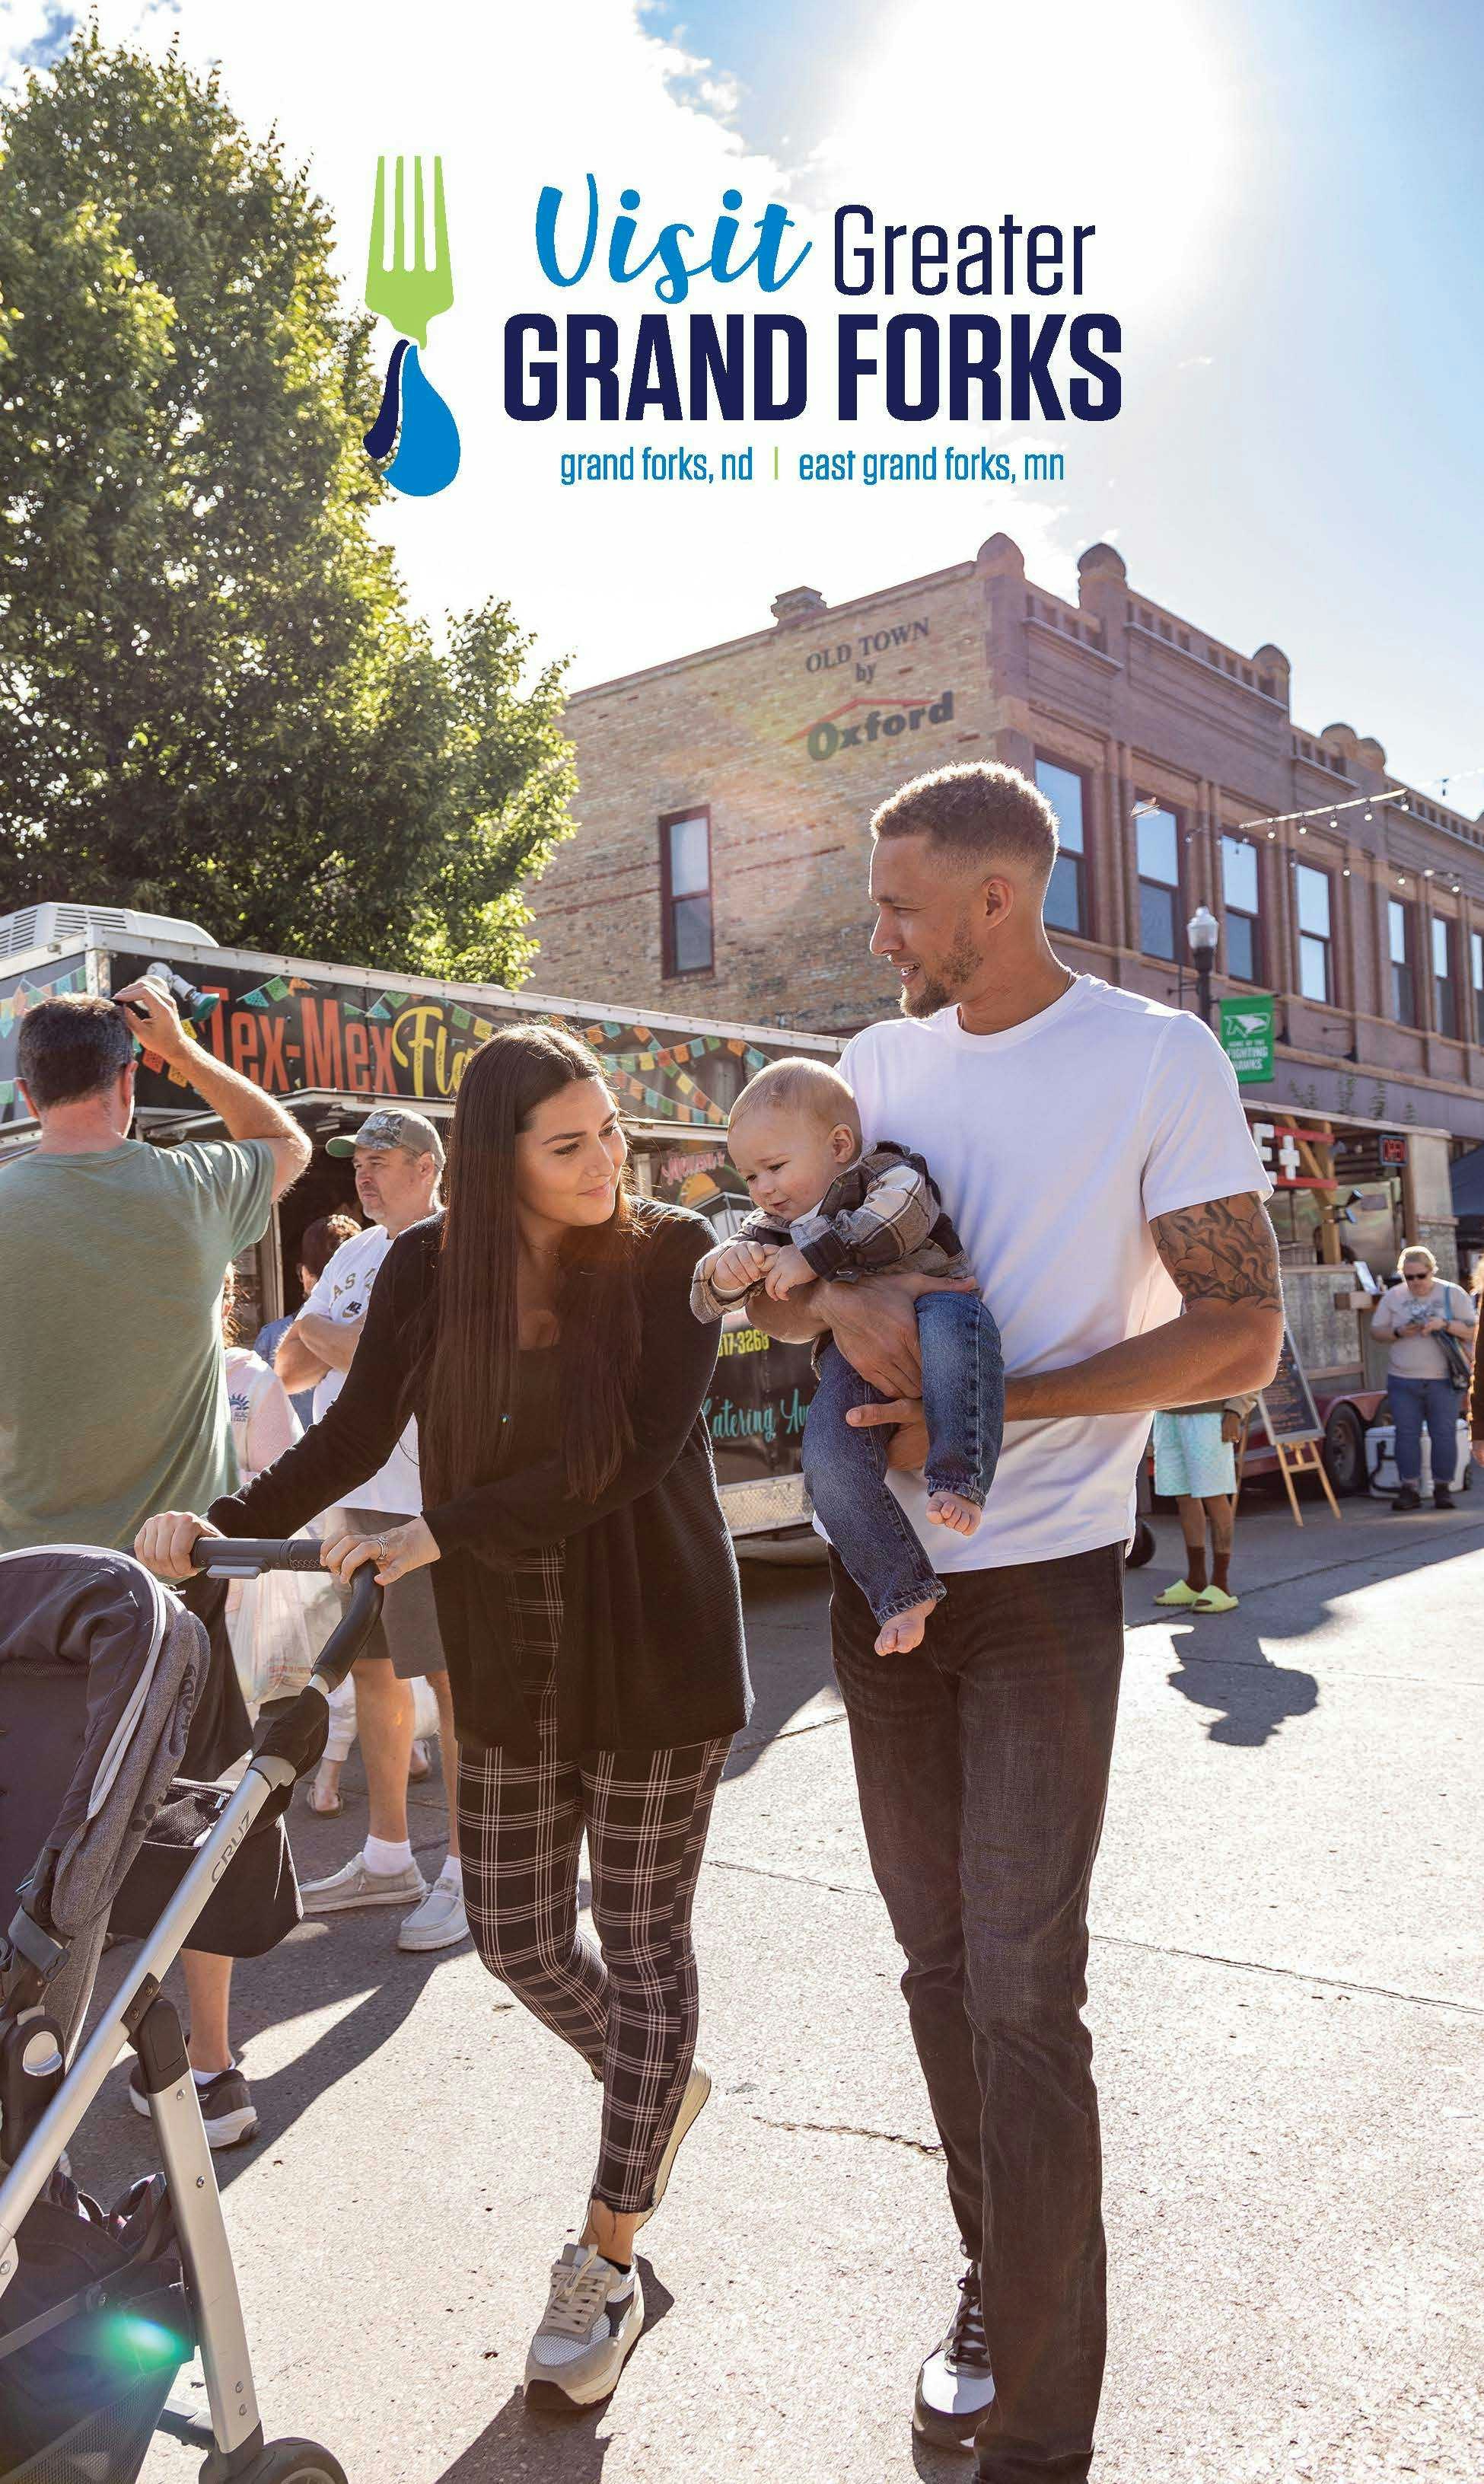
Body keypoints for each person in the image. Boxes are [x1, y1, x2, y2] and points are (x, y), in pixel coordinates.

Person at [756, 761, 1282, 2479]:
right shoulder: (878, 1068)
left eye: (902, 899)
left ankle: (1046, 2421)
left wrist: (996, 1401)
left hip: (1047, 1585)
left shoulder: (1156, 1055)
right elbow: (815, 1272)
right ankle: (999, 2277)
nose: (879, 928)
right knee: (934, 1970)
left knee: (1023, 1993)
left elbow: (1241, 1333)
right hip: (882, 1593)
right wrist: (832, 1307)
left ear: (999, 897)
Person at [135, 1023, 750, 2410]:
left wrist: (438, 1530)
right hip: (514, 1654)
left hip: (656, 1650)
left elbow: (627, 1455)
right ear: (494, 1158)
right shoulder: (426, 1264)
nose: (607, 1163)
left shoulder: (670, 1257)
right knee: (520, 1935)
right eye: (570, 1142)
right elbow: (355, 1437)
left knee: (645, 1947)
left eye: (610, 1133)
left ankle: (606, 2253)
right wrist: (222, 1524)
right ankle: (654, 2090)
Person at [0, 982, 309, 2147]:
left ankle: (29, 2072)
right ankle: (208, 2074)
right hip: (170, 1589)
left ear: (23, 1093)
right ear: (125, 1080)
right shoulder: (187, 1191)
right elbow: (286, 1141)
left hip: (23, 1596)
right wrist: (186, 1048)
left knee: (36, 1835)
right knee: (196, 1836)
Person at [690, 1054, 998, 1652]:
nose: (764, 1190)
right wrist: (726, 1269)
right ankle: (904, 1591)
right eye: (750, 1177)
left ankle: (960, 1476)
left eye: (776, 1167)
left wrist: (813, 1257)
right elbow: (707, 1297)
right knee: (827, 1463)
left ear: (838, 1144)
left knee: (957, 1333)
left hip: (942, 1311)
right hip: (851, 1360)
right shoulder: (772, 1225)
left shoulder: (886, 1171)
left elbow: (902, 1219)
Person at [272, 1111, 463, 1950]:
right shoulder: (355, 1253)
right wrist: (328, 1339)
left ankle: (468, 1870)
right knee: (377, 1681)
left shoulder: (449, 1244)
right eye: (358, 1162)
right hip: (357, 1498)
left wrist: (323, 1336)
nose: (364, 1174)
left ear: (427, 1167)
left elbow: (411, 1370)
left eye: (381, 1161)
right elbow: (290, 1362)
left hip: (423, 1501)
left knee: (458, 1690)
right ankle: (390, 1855)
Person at [1369, 1243, 1476, 1511]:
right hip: (1403, 1378)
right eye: (1409, 1277)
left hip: (1443, 1378)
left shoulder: (1452, 1294)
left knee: (1444, 1433)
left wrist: (1445, 1325)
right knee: (1406, 1434)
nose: (1415, 1282)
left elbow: (1474, 1331)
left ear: (1432, 1271)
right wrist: (1398, 1332)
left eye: (1420, 1276)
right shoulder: (1394, 1296)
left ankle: (1443, 1488)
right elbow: (1376, 1332)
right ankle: (1409, 1488)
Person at [254, 1210, 361, 1426]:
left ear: (304, 1273)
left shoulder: (272, 1338)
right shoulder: (374, 1322)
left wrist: (308, 1328)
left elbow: (258, 1414)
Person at [1151, 1391, 1254, 1612]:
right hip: (1167, 1411)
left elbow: (1252, 1359)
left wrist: (1236, 1410)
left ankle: (1221, 1584)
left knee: (1214, 1495)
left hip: (1208, 1414)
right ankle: (1196, 1581)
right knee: (1183, 1496)